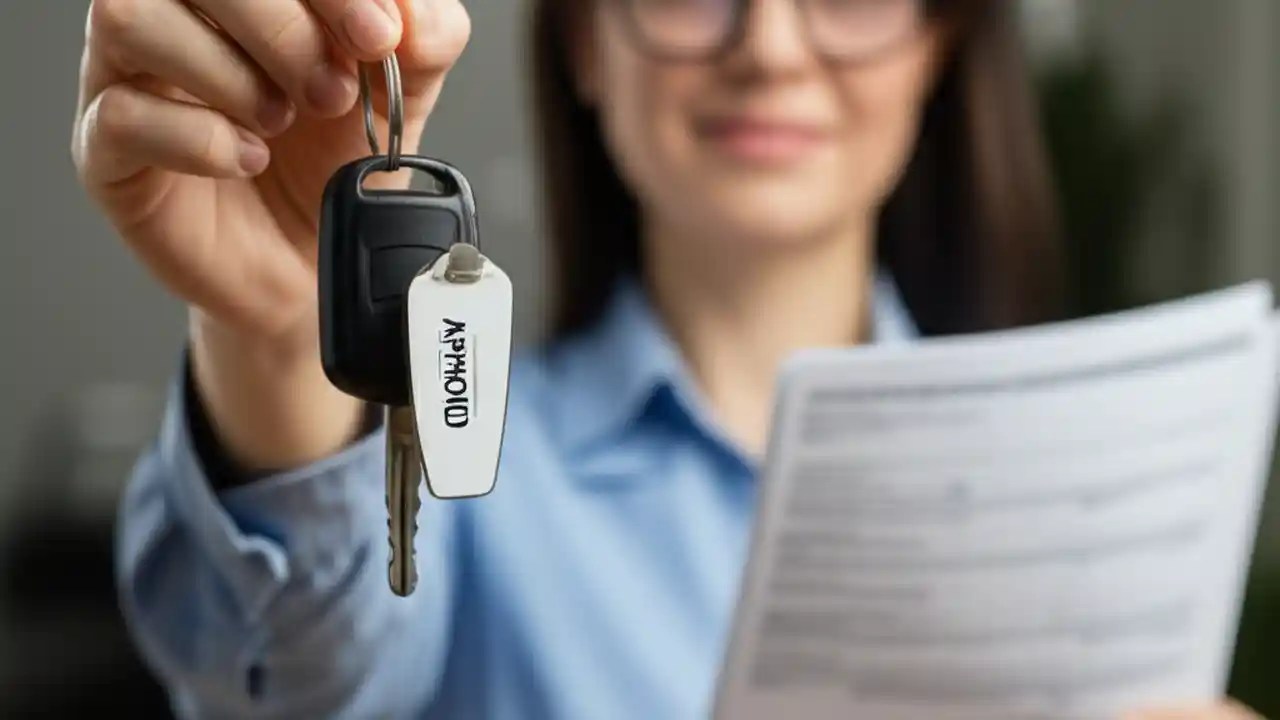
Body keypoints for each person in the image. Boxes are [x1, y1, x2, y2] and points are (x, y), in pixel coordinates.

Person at [70, 0, 1267, 718]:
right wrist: (285, 326)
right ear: (586, 41)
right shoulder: (461, 484)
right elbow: (292, 687)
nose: (771, 45)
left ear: (938, 43)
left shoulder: (1081, 494)